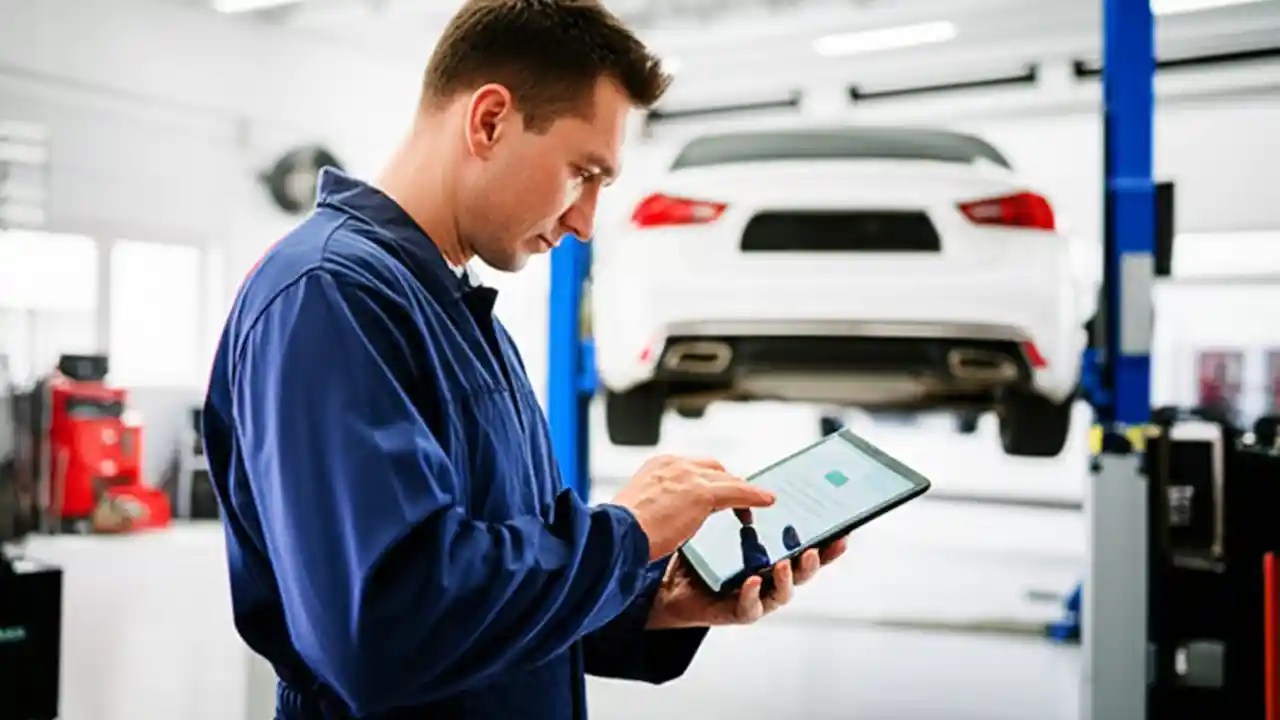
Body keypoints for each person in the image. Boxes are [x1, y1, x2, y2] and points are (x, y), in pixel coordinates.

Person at [201, 1, 848, 718]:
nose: (584, 221)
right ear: (489, 121)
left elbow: (494, 584)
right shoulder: (327, 298)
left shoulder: (459, 312)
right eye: (582, 173)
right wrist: (625, 535)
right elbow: (384, 630)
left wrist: (647, 602)